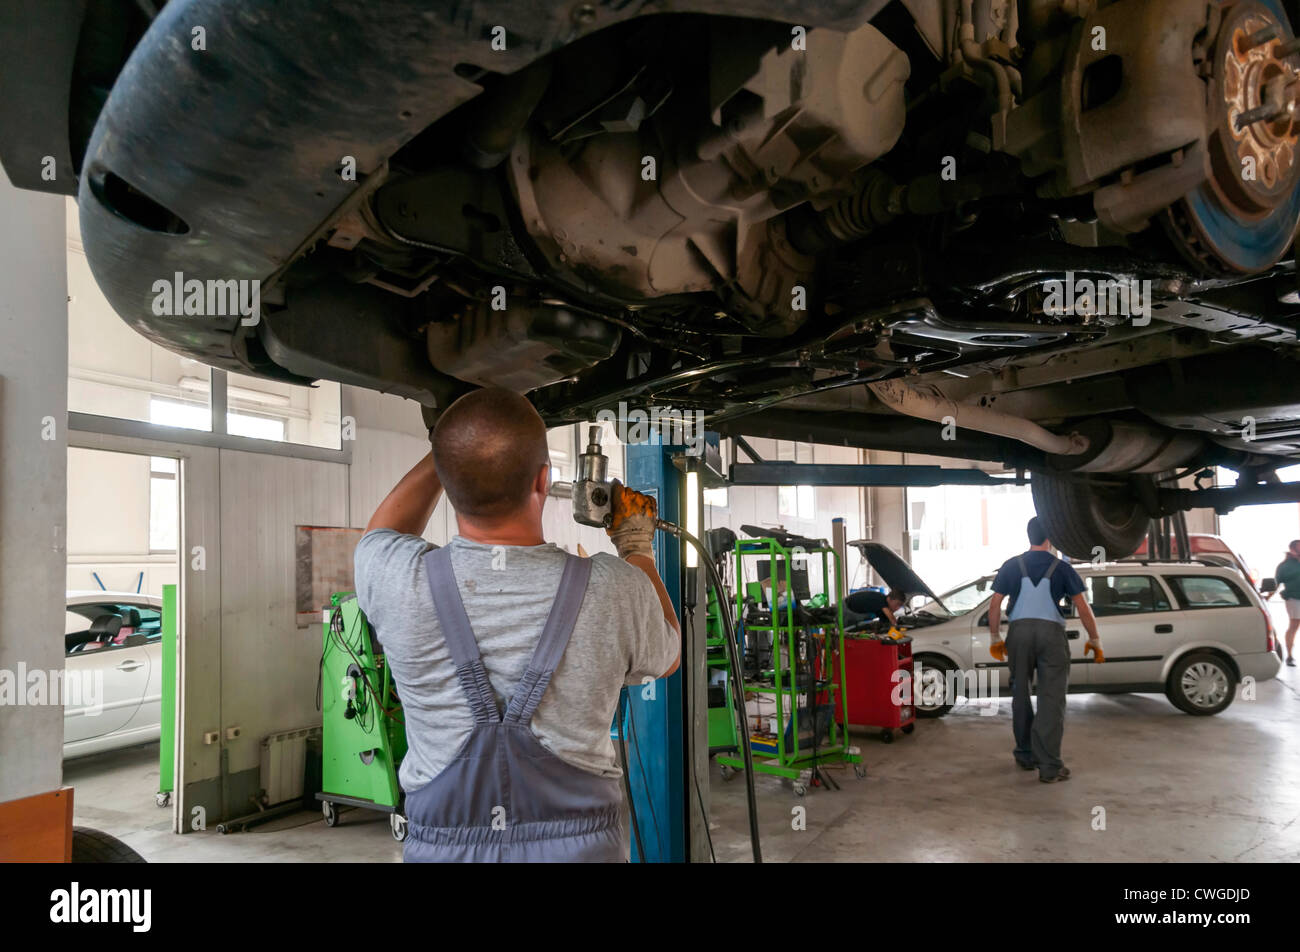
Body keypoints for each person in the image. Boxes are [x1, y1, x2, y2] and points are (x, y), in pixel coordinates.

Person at [353, 388, 680, 862]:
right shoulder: (615, 588)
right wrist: (636, 547)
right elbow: (668, 655)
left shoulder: (398, 579)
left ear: (447, 479)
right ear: (543, 481)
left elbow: (382, 533)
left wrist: (452, 451)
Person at [987, 517, 1102, 783]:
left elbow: (995, 605)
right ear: (1050, 538)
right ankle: (1049, 766)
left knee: (1020, 693)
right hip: (1051, 636)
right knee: (1051, 699)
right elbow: (1083, 607)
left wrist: (995, 637)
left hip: (1019, 634)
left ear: (1029, 536)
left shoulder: (1011, 566)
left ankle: (1025, 754)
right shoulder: (1062, 568)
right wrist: (1095, 639)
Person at [1268, 540, 1300, 666]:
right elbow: (1276, 582)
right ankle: (1290, 655)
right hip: (1294, 598)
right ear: (1292, 550)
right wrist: (1267, 597)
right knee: (1294, 625)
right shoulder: (1285, 566)